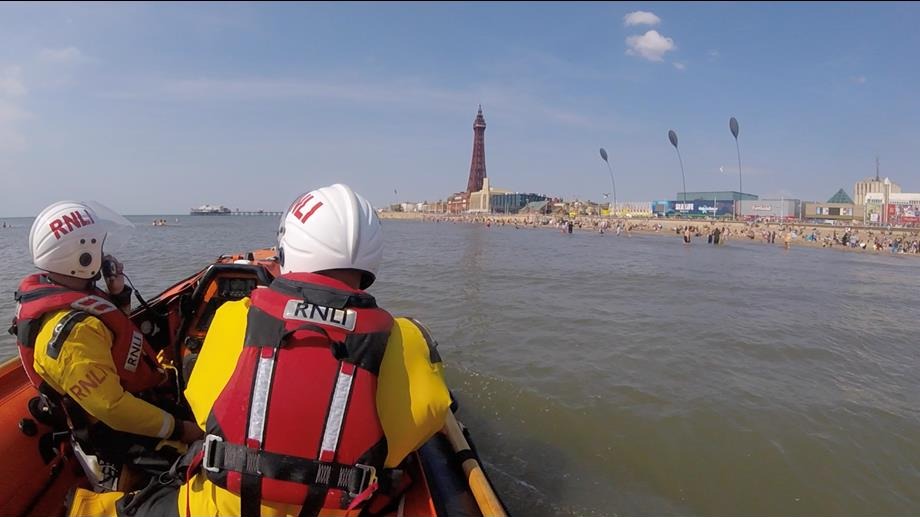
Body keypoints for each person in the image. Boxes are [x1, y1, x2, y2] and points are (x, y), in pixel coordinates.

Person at [67, 184, 451, 516]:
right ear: (373, 256)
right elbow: (415, 430)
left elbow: (202, 408)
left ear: (289, 245)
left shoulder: (238, 317)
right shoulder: (406, 341)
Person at [11, 200, 203, 489]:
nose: (105, 256)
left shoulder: (72, 293)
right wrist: (182, 430)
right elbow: (113, 408)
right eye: (99, 250)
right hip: (121, 433)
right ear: (83, 256)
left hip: (137, 401)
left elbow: (114, 339)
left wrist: (118, 294)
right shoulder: (74, 335)